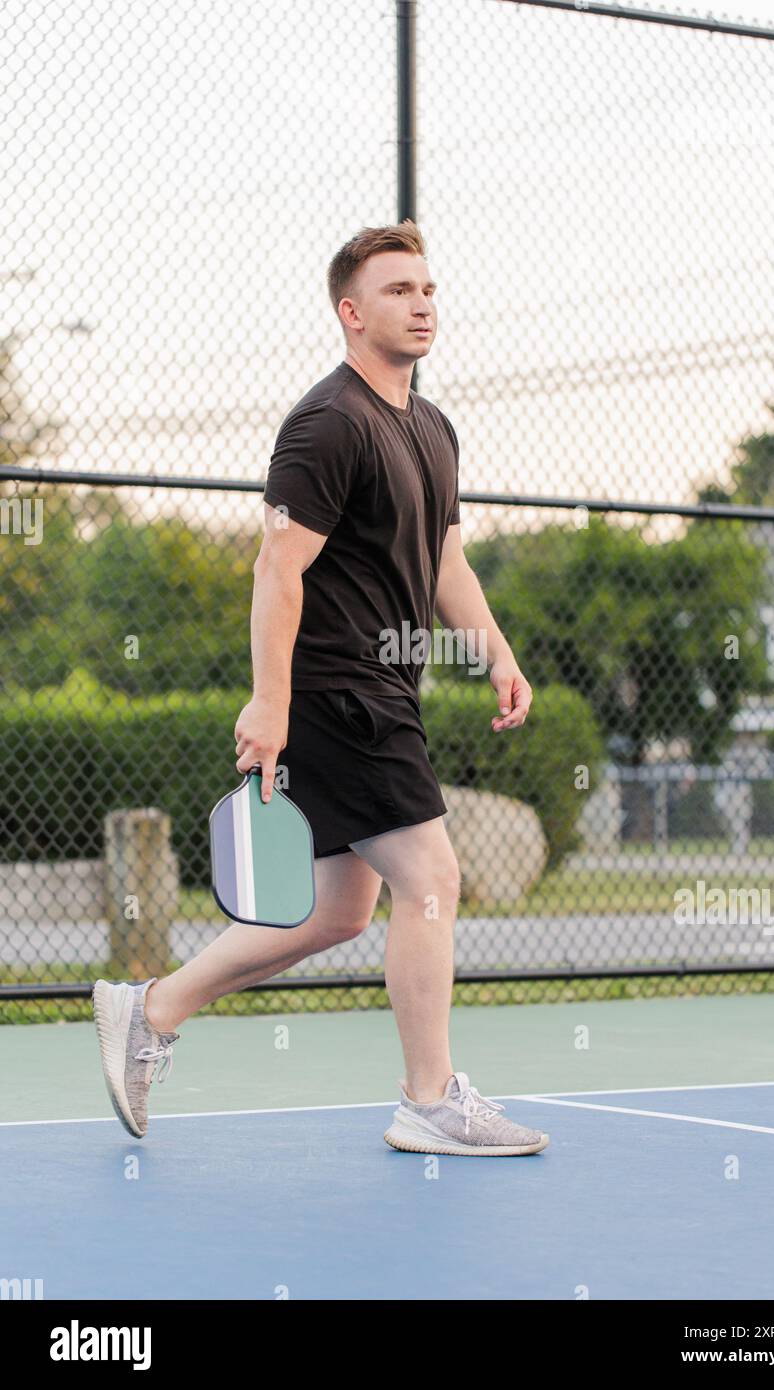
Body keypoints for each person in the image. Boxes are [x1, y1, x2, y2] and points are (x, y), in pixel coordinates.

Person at [92, 219, 549, 1157]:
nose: (421, 303)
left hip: (388, 686)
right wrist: (269, 702)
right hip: (340, 694)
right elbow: (276, 567)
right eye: (396, 290)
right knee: (432, 880)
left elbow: (446, 557)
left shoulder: (431, 426)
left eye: (427, 288)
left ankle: (150, 1011)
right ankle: (429, 1101)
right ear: (350, 312)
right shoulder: (329, 423)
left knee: (338, 912)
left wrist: (497, 652)